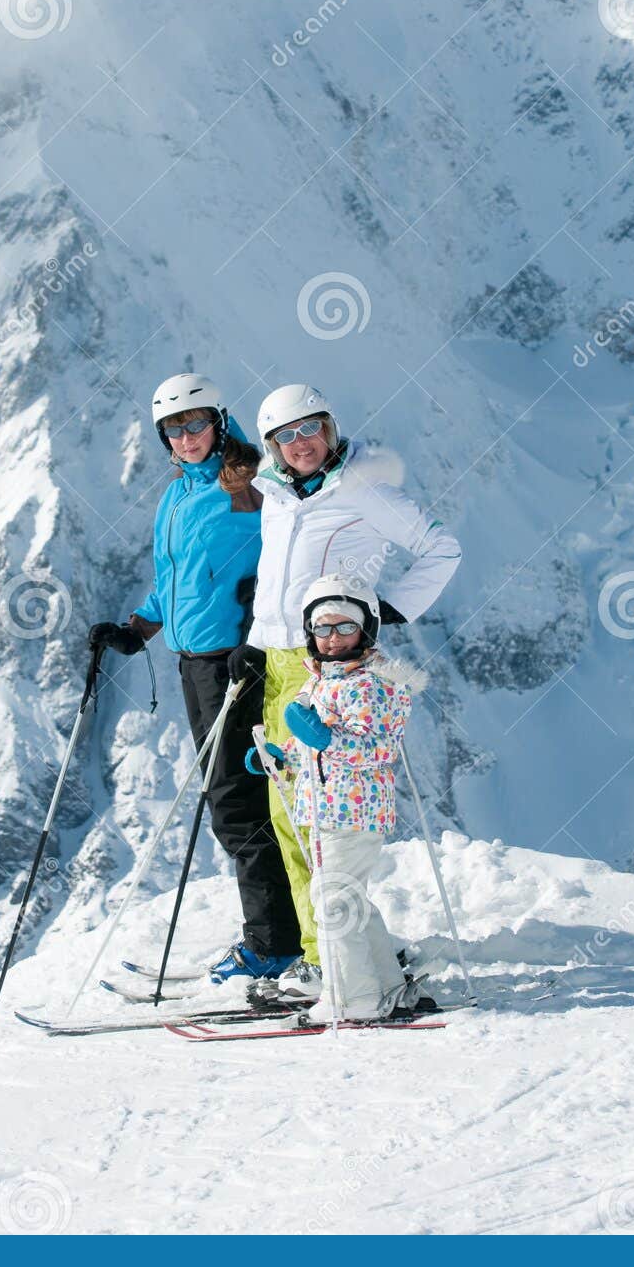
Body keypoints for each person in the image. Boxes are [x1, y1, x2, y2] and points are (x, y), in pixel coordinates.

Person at [230, 383, 461, 1006]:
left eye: (312, 428)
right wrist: (255, 642)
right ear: (272, 447)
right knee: (287, 813)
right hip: (279, 662)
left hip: (328, 666)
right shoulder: (277, 493)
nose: (302, 443)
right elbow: (279, 579)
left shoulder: (363, 489)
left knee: (307, 818)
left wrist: (389, 609)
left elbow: (442, 547)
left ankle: (323, 958)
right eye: (286, 436)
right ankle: (331, 952)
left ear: (330, 428)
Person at [89, 372, 300, 984]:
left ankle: (276, 943)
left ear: (219, 422)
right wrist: (138, 628)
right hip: (195, 667)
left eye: (195, 424)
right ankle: (278, 933)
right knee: (229, 796)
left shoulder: (251, 486)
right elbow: (175, 579)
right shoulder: (178, 495)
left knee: (238, 801)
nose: (186, 438)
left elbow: (284, 563)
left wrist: (256, 635)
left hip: (240, 664)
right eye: (173, 431)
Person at [262, 575, 429, 1022]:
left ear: (365, 629)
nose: (332, 638)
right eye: (322, 627)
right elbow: (311, 748)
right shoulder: (321, 681)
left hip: (355, 808)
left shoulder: (372, 685)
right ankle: (387, 986)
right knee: (348, 899)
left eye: (345, 627)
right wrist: (281, 757)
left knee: (332, 900)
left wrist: (323, 737)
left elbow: (377, 749)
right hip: (326, 808)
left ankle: (353, 998)